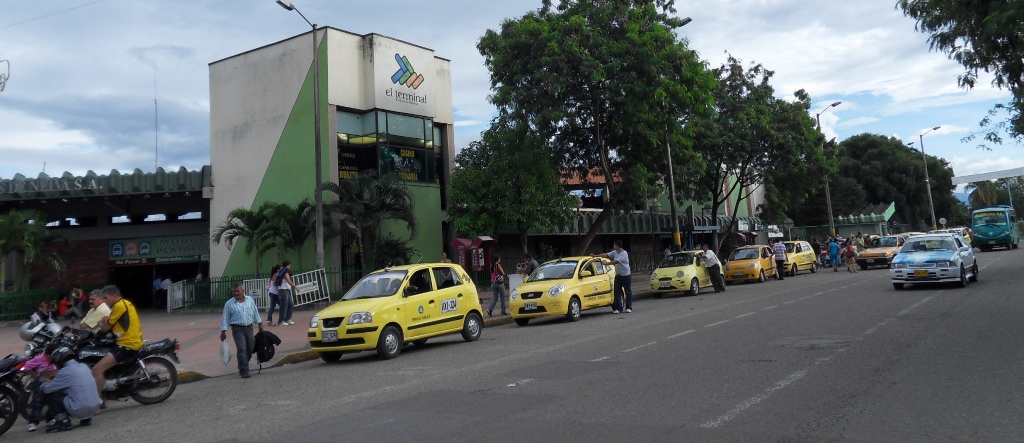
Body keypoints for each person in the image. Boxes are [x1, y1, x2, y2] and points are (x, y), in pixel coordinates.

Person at [92, 285, 143, 409]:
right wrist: (106, 320)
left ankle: (98, 403)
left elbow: (106, 327)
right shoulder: (124, 304)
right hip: (129, 340)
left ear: (115, 296)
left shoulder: (119, 306)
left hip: (127, 344)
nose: (104, 300)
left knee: (97, 370)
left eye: (106, 297)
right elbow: (112, 321)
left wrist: (99, 323)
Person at [40, 346, 103, 433]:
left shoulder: (65, 371)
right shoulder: (84, 366)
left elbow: (46, 389)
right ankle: (86, 419)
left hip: (79, 409)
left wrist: (44, 382)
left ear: (59, 360)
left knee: (52, 396)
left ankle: (63, 422)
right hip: (94, 407)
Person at [220, 284, 264, 378]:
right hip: (237, 329)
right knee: (242, 348)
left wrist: (259, 323)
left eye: (237, 291)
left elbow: (255, 311)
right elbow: (225, 318)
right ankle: (244, 370)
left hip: (249, 327)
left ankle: (242, 364)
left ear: (242, 291)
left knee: (250, 347)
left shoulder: (249, 300)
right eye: (234, 291)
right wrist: (223, 331)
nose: (235, 293)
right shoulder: (229, 304)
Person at [24, 343, 59, 432]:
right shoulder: (39, 359)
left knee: (53, 401)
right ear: (47, 355)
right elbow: (27, 365)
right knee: (37, 402)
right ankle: (33, 422)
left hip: (52, 381)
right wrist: (34, 375)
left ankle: (51, 419)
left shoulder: (56, 359)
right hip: (42, 381)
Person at [592, 240, 632, 313]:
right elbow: (606, 254)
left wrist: (606, 263)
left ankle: (629, 307)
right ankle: (619, 308)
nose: (613, 246)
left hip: (625, 275)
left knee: (628, 291)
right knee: (617, 291)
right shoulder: (615, 252)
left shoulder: (624, 254)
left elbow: (616, 261)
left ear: (617, 246)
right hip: (618, 275)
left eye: (614, 245)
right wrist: (595, 256)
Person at [275, 261, 299, 326]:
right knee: (284, 306)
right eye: (289, 265)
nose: (290, 266)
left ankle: (287, 319)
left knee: (290, 304)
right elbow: (288, 280)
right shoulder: (285, 272)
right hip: (283, 290)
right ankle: (281, 321)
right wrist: (295, 287)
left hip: (285, 290)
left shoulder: (282, 271)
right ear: (287, 265)